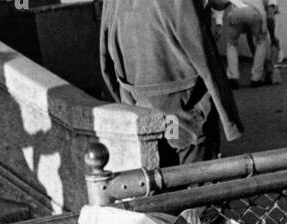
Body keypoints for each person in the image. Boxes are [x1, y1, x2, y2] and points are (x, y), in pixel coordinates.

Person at [100, 0, 242, 166]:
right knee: (194, 174)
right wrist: (229, 119)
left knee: (160, 173)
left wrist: (123, 98)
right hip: (180, 108)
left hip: (140, 103)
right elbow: (203, 54)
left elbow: (106, 57)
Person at [224, 1, 271, 88]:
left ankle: (233, 77)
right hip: (255, 11)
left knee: (231, 43)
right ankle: (256, 78)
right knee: (261, 41)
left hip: (236, 10)